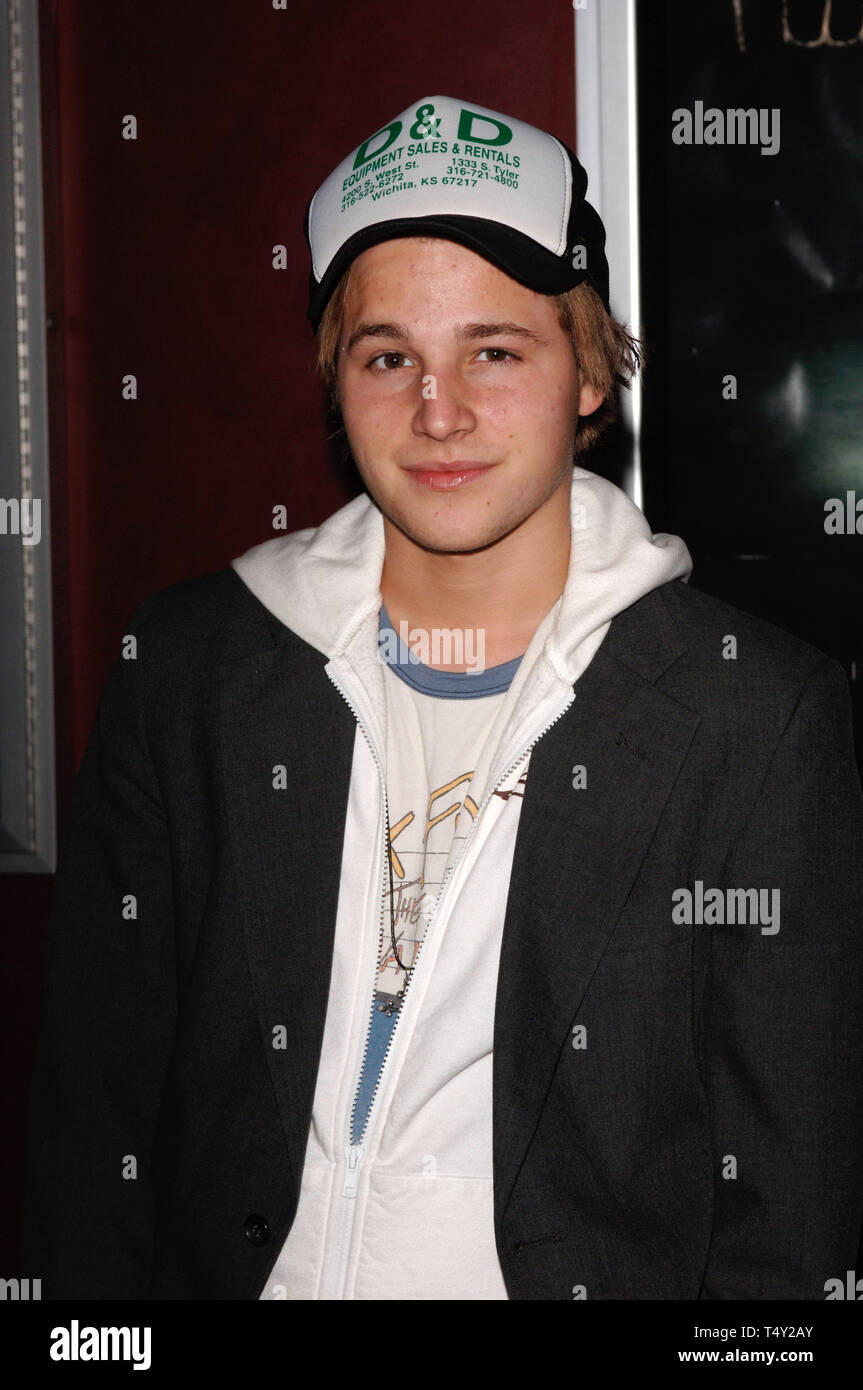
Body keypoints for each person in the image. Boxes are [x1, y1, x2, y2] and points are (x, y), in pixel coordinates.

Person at [21, 94, 863, 1301]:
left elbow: (786, 1221)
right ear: (335, 382)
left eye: (493, 351)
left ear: (588, 373)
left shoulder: (754, 717)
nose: (437, 410)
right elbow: (90, 1130)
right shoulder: (189, 669)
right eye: (388, 357)